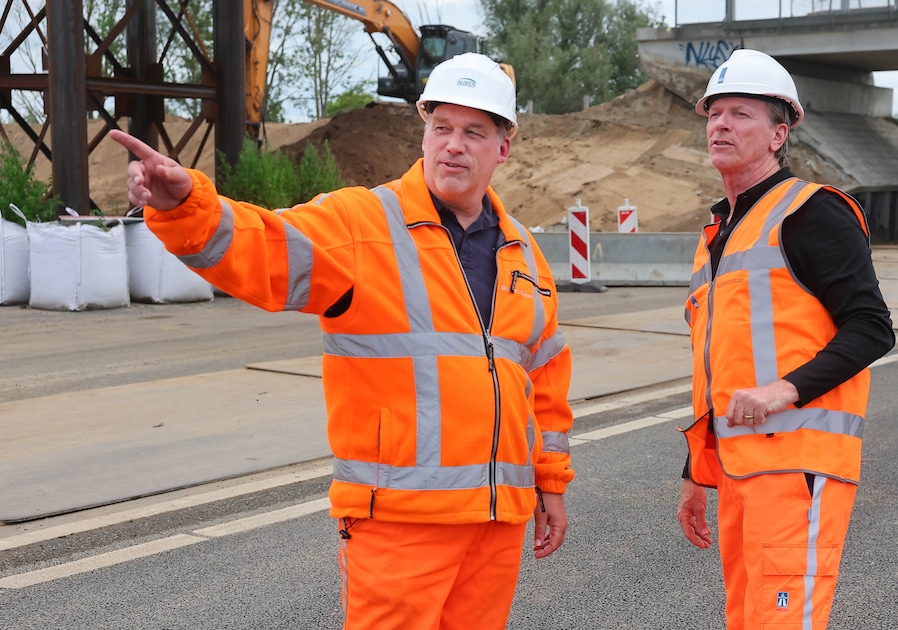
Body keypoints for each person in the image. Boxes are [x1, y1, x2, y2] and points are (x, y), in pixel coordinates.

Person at [109, 53, 574, 630]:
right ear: (424, 133)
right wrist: (186, 208)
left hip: (498, 522)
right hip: (401, 521)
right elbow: (265, 248)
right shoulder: (362, 223)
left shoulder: (521, 251)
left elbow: (543, 375)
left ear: (503, 147)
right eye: (442, 127)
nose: (453, 145)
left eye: (474, 132)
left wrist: (550, 479)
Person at [675, 49, 895, 630]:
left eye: (740, 114)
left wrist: (783, 390)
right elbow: (718, 365)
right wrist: (696, 472)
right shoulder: (719, 232)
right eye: (714, 113)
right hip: (738, 471)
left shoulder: (812, 213)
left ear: (779, 134)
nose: (720, 125)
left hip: (797, 465)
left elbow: (871, 327)